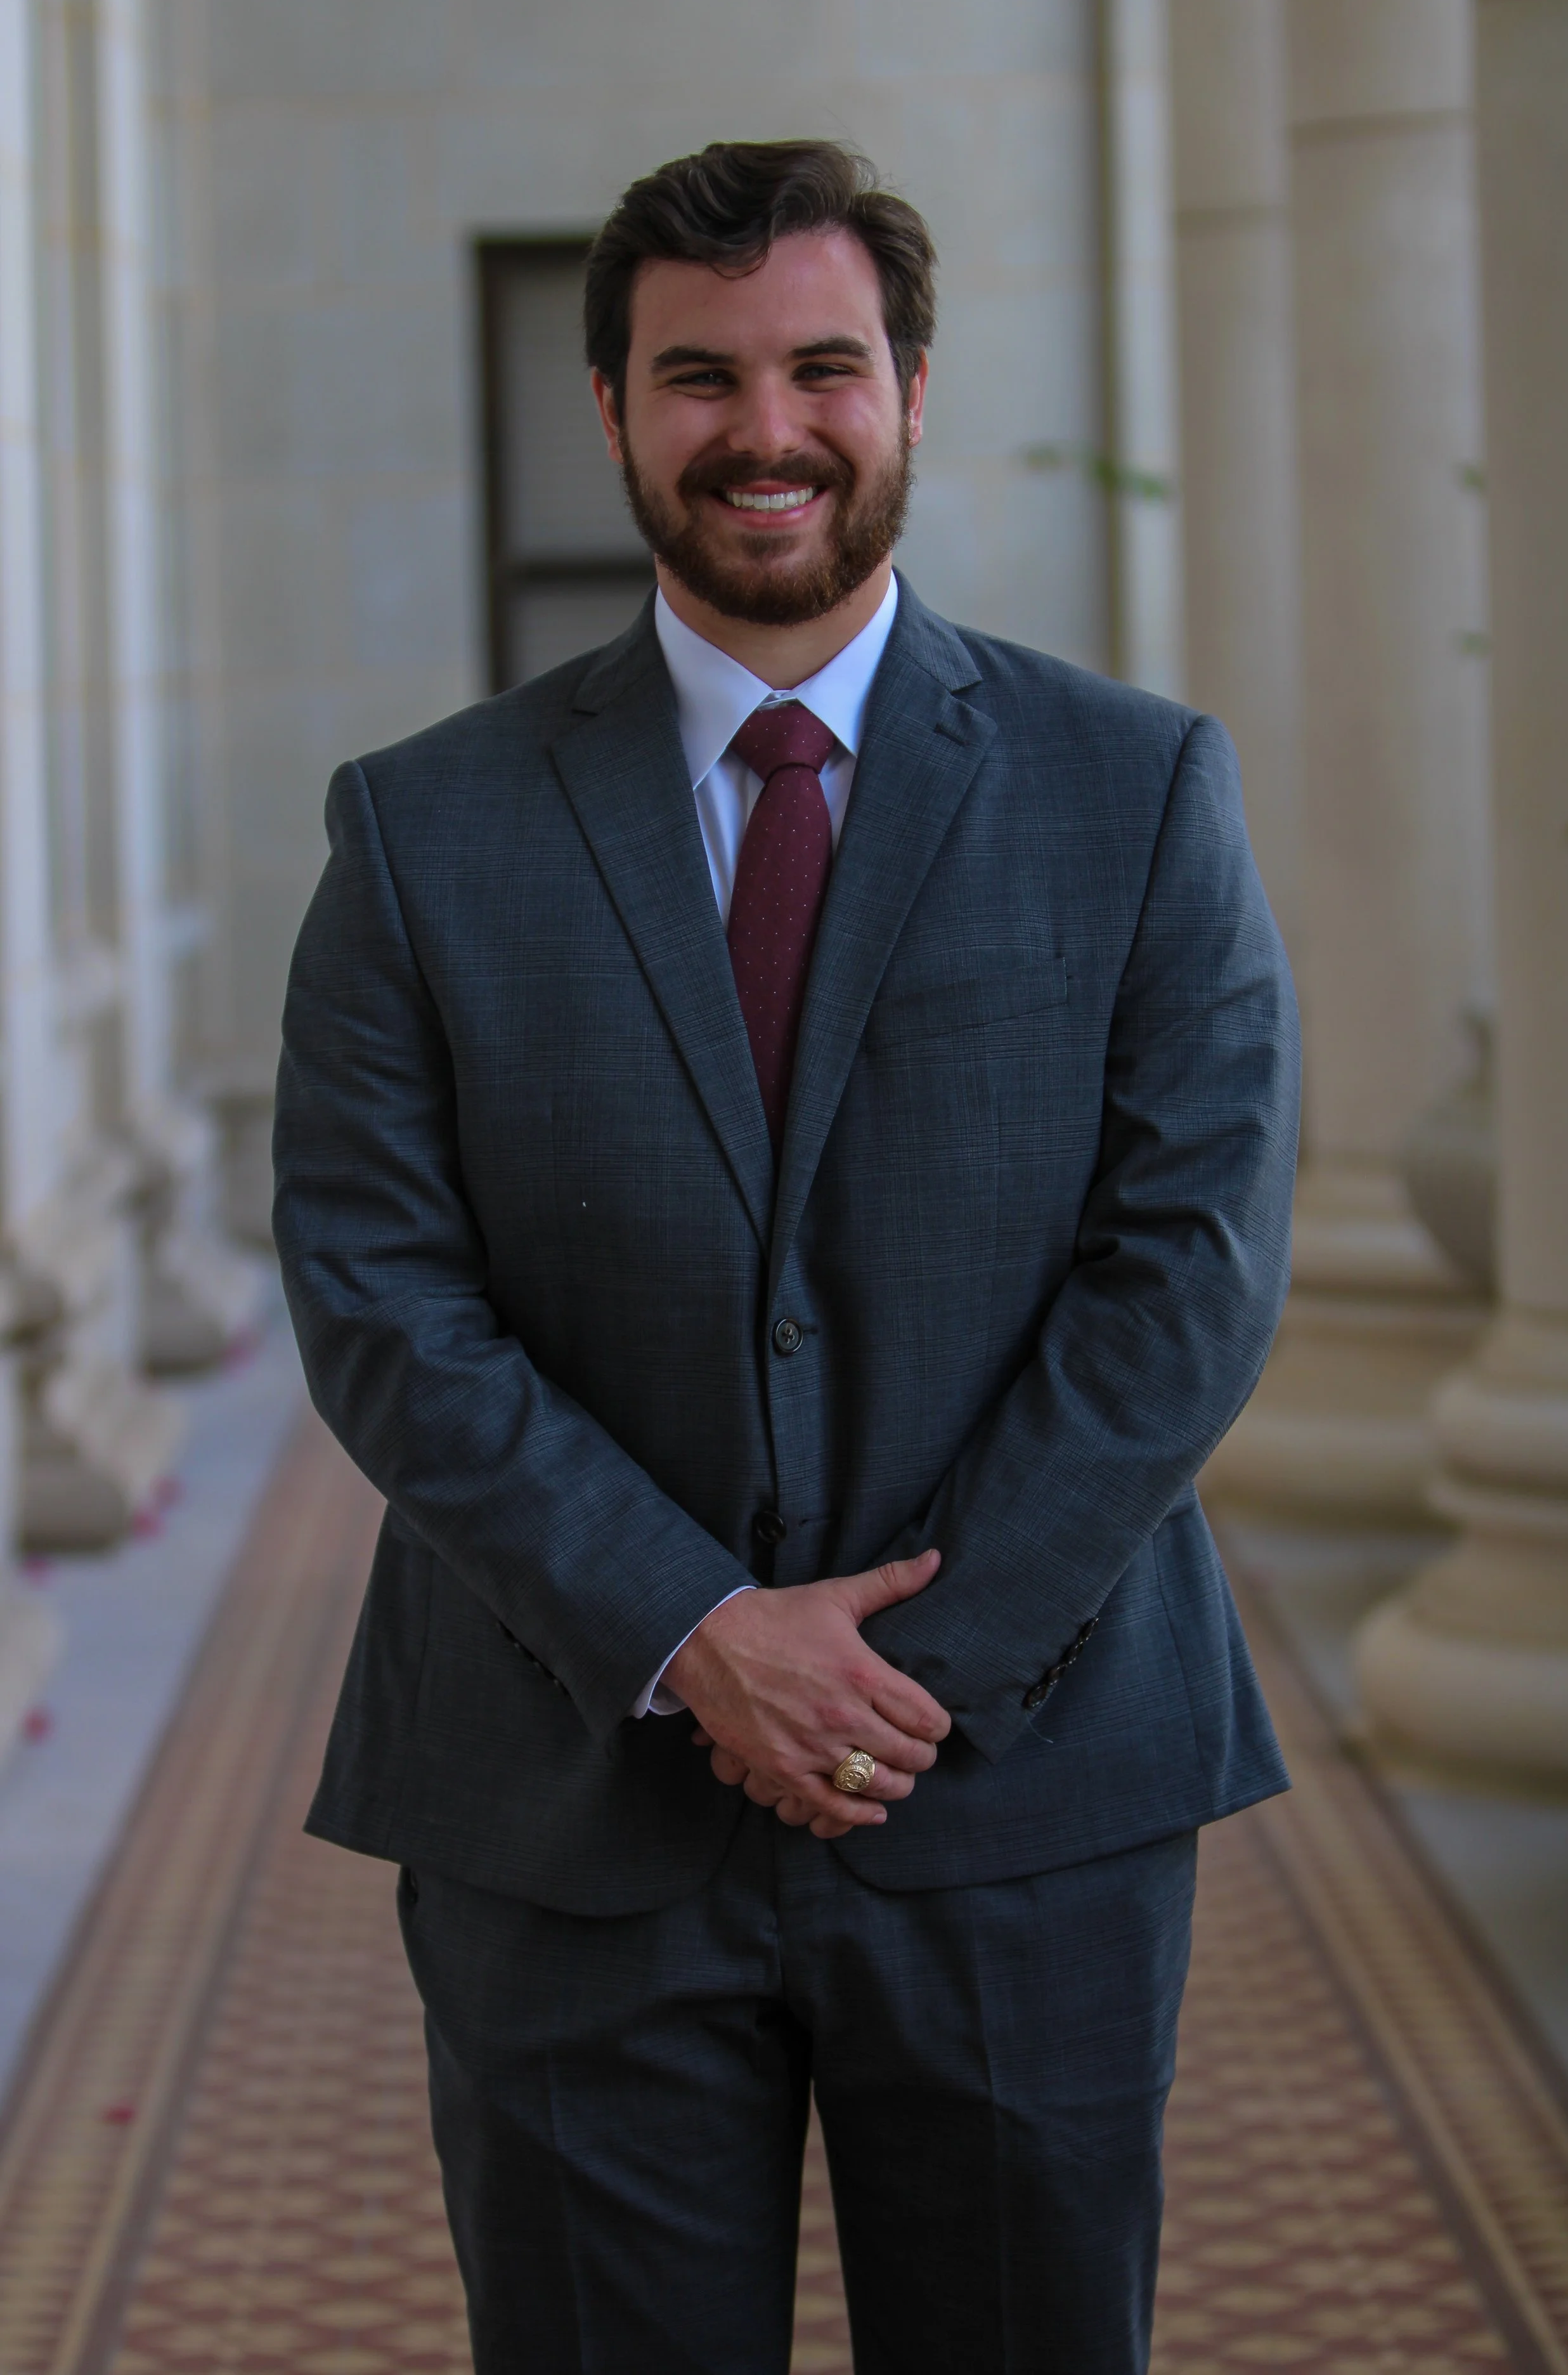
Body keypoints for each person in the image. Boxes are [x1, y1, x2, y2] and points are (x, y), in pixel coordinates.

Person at [274, 138, 1300, 2375]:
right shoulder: (419, 827)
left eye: (823, 365)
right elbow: (378, 1292)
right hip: (566, 1797)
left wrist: (884, 1679)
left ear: (910, 391)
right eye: (698, 375)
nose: (765, 429)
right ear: (613, 408)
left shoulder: (1136, 792)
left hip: (1025, 1789)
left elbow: (1189, 1270)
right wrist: (689, 1629)